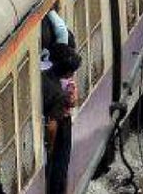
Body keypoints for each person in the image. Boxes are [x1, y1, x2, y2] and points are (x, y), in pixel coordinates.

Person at [43, 44, 82, 194]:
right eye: (72, 71)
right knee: (58, 170)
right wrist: (50, 147)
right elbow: (52, 125)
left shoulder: (44, 76)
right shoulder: (58, 94)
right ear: (66, 72)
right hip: (60, 132)